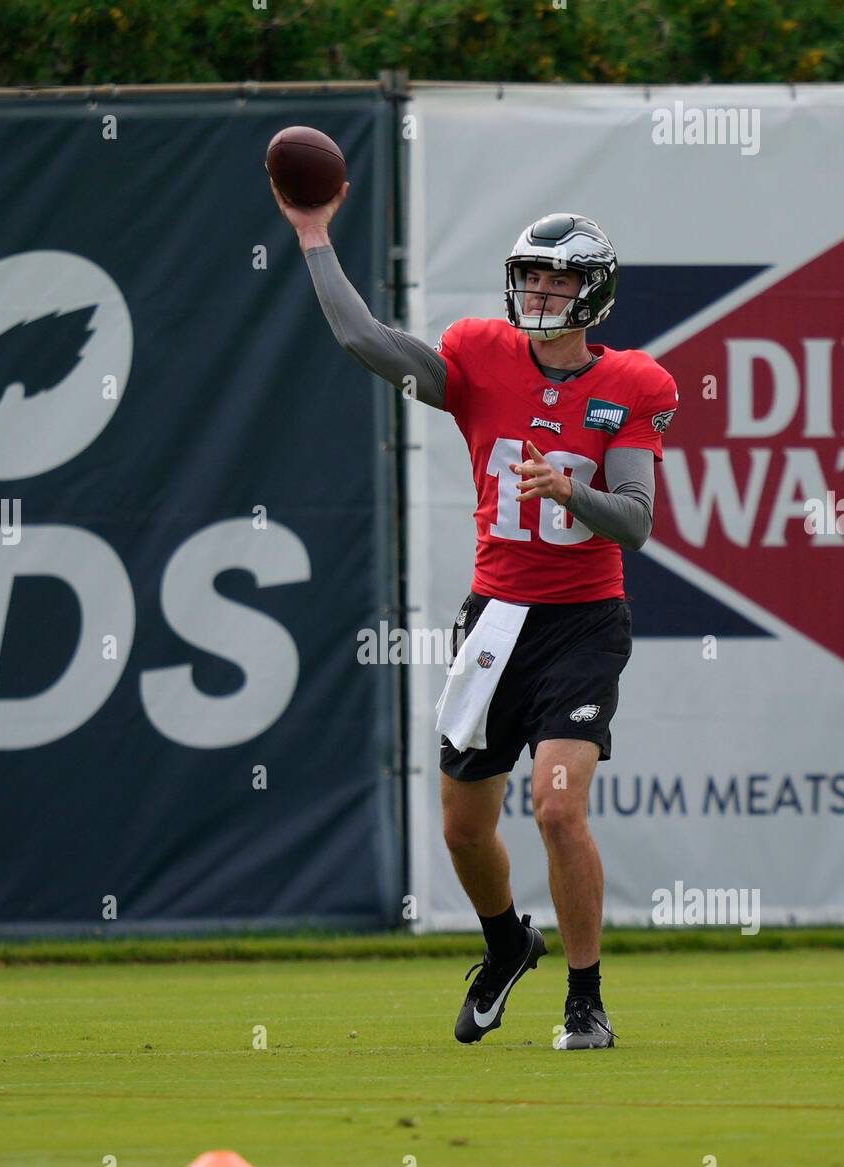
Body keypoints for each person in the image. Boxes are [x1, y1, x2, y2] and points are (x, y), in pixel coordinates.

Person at [271, 177, 678, 1051]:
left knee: (559, 807)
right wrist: (312, 232)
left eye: (556, 282)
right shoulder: (479, 356)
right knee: (464, 828)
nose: (538, 294)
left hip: (581, 620)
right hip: (495, 621)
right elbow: (361, 337)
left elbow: (638, 523)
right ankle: (506, 944)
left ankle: (586, 1000)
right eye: (529, 278)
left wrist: (573, 488)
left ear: (592, 292)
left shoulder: (633, 384)